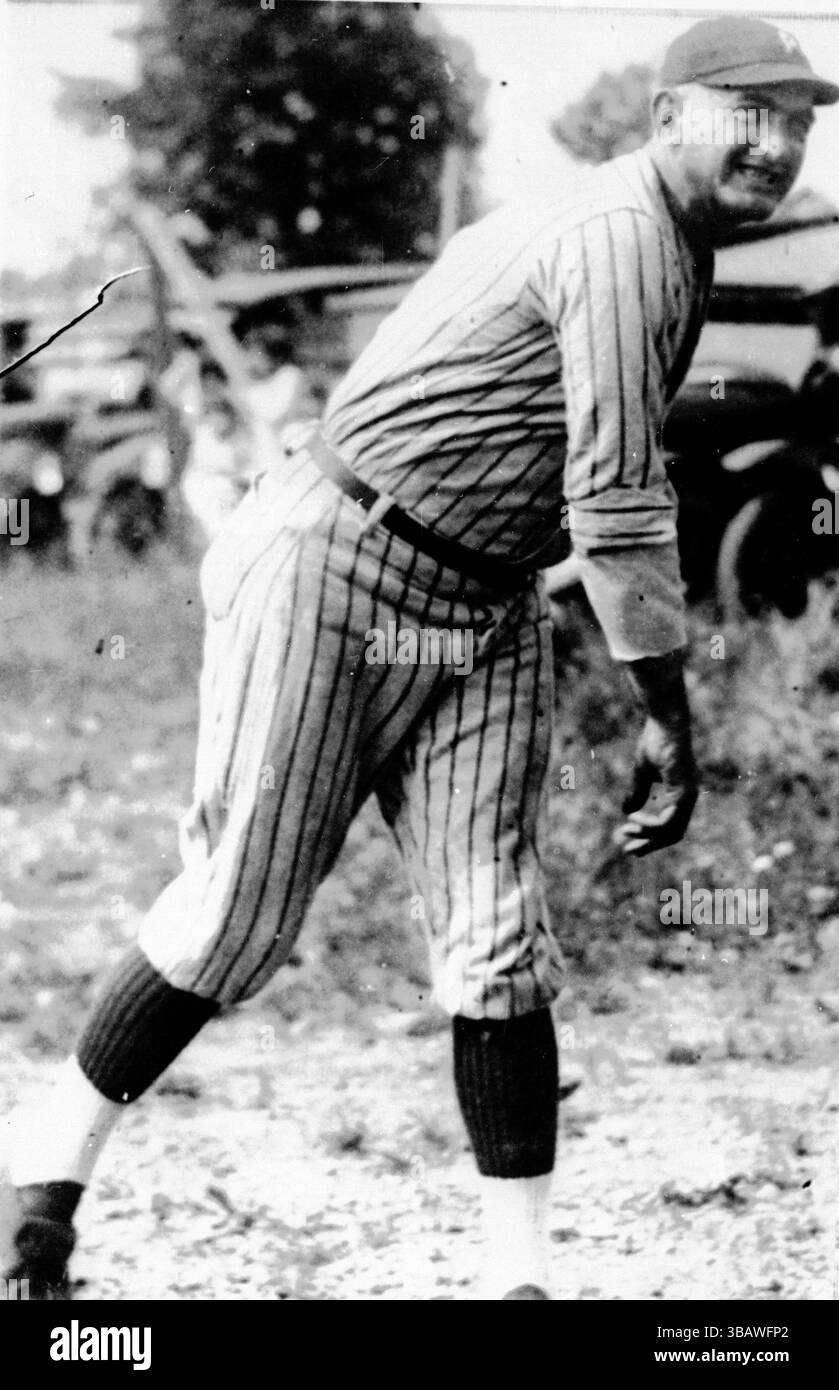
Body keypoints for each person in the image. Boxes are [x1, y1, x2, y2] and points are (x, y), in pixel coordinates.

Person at [2, 16, 835, 1301]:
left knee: (498, 936)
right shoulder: (614, 233)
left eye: (797, 122)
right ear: (671, 118)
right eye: (749, 114)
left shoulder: (669, 242)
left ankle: (518, 1285)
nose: (775, 145)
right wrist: (668, 712)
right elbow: (613, 495)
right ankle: (41, 1191)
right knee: (239, 912)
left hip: (483, 596)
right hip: (333, 556)